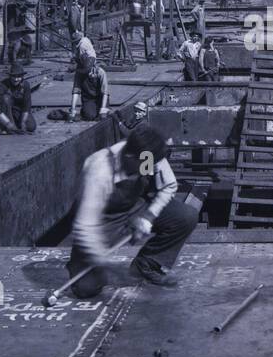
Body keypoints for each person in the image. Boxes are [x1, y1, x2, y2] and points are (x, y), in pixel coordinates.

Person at [66, 122, 197, 294]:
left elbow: (169, 186)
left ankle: (146, 264)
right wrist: (99, 256)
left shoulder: (146, 155)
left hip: (135, 208)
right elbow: (85, 225)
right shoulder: (100, 169)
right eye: (143, 164)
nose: (146, 168)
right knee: (86, 288)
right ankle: (78, 265)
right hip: (102, 221)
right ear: (129, 157)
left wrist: (149, 216)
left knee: (185, 216)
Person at [0, 65, 36, 134]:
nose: (16, 79)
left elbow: (27, 106)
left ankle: (15, 123)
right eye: (14, 76)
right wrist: (8, 124)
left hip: (17, 110)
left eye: (19, 76)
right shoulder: (1, 86)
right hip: (5, 110)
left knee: (31, 127)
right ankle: (5, 123)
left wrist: (23, 122)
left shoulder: (25, 85)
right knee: (6, 98)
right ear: (10, 76)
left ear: (22, 76)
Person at [70, 53, 110, 121]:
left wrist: (103, 108)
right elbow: (75, 91)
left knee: (102, 116)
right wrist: (73, 109)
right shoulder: (79, 74)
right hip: (88, 98)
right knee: (89, 116)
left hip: (100, 97)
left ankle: (103, 107)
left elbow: (105, 92)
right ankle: (85, 110)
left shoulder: (100, 72)